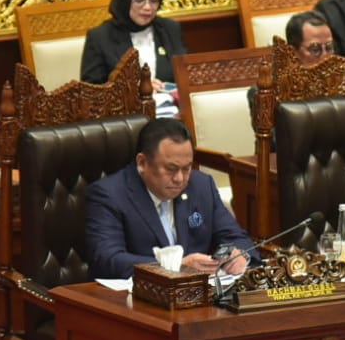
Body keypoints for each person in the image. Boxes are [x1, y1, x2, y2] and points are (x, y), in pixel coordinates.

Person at [85, 117, 257, 280]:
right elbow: (108, 260)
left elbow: (236, 237)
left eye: (186, 168)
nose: (180, 179)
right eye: (171, 169)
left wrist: (240, 255)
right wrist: (176, 266)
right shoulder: (108, 195)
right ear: (142, 163)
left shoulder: (202, 186)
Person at [81, 0, 186, 90]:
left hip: (171, 108)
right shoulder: (100, 37)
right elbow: (91, 93)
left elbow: (186, 76)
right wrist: (136, 90)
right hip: (125, 109)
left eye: (153, 0)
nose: (148, 7)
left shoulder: (170, 29)